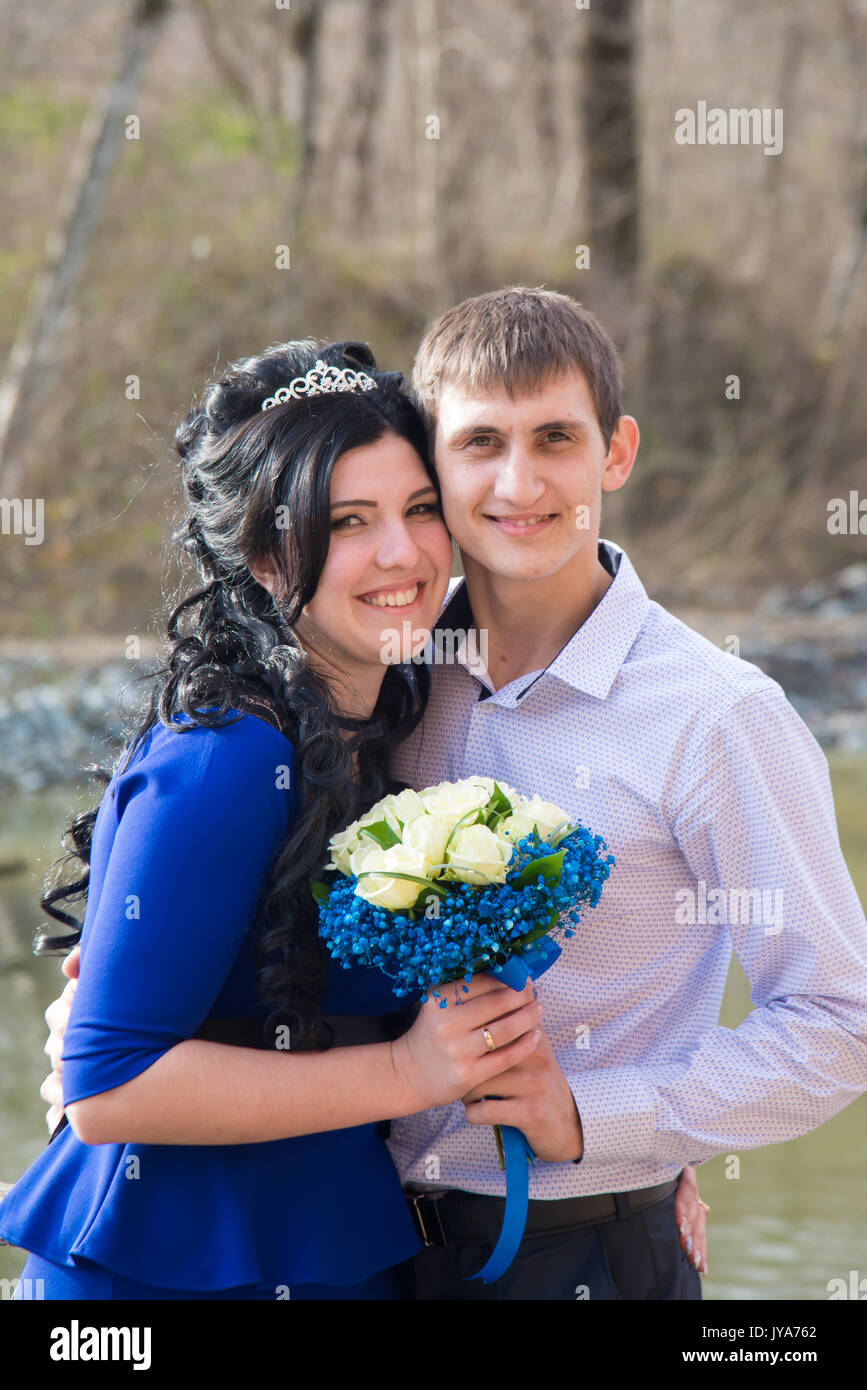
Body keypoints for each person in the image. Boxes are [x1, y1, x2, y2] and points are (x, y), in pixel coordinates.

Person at [0, 338, 547, 1300]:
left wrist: (654, 1172)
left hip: (333, 1244)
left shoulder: (392, 724)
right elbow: (105, 1083)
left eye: (421, 510)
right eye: (346, 521)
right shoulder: (229, 755)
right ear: (262, 553)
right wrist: (409, 1072)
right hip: (171, 1268)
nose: (401, 552)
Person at [376, 286, 867, 1301]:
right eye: (479, 442)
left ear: (617, 452)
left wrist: (606, 1119)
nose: (519, 481)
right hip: (358, 1241)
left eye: (555, 436)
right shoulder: (389, 676)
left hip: (585, 1259)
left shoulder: (718, 715)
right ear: (431, 462)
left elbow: (837, 1020)